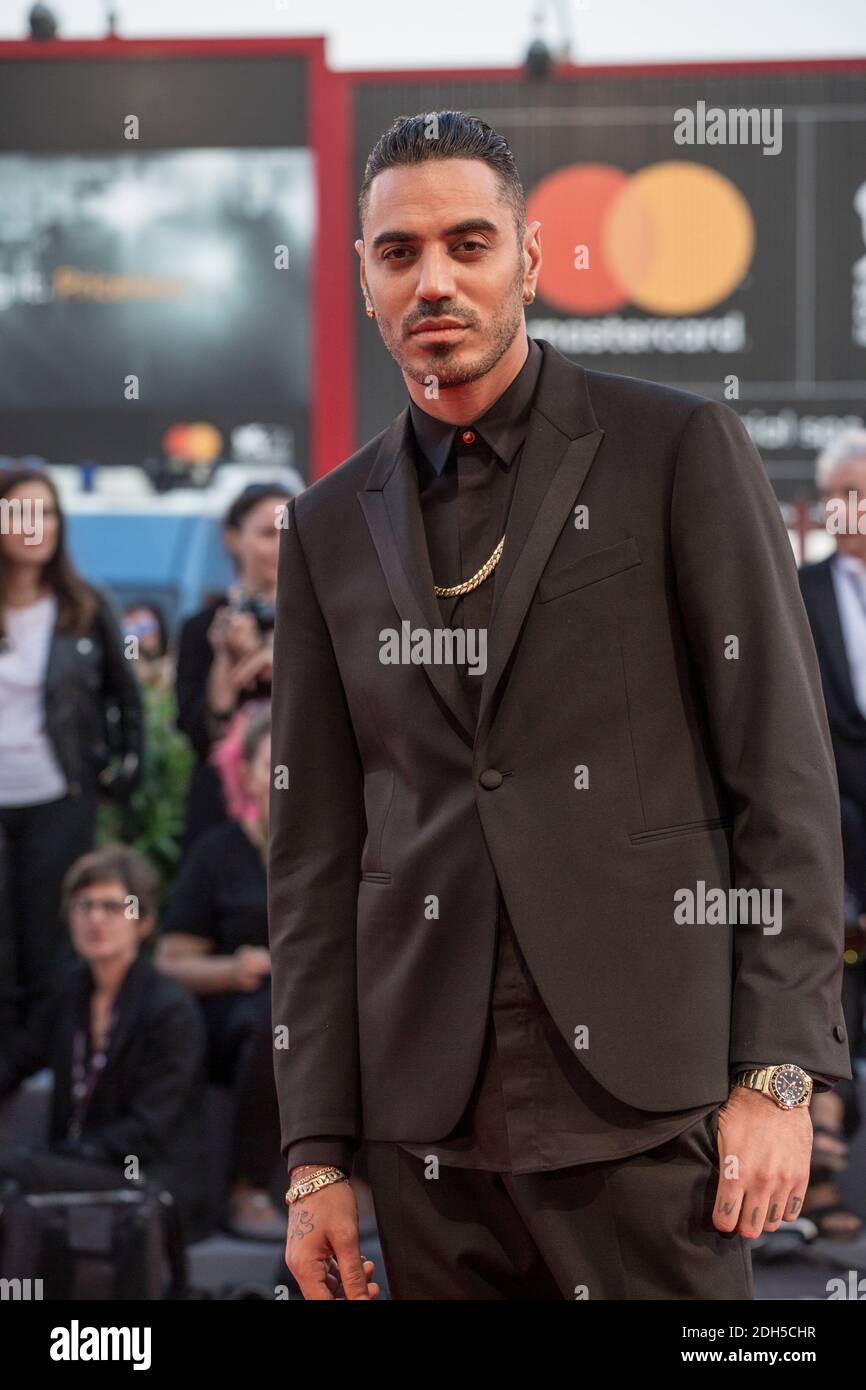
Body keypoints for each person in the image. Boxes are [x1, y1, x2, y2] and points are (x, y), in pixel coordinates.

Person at [267, 110, 851, 1301]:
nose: (433, 279)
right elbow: (317, 857)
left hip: (648, 1106)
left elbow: (780, 775)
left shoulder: (673, 449)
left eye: (468, 243)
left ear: (530, 259)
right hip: (426, 1122)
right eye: (398, 253)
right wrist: (314, 1154)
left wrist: (779, 1071)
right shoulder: (324, 524)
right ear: (365, 282)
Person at [0, 844, 209, 1248]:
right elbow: (20, 1059)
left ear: (143, 921)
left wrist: (70, 1154)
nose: (96, 918)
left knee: (14, 1171)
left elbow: (151, 1128)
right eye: (84, 906)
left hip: (145, 1174)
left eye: (112, 907)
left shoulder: (170, 1008)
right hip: (78, 1162)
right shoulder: (69, 991)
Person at [0, 467, 143, 1044]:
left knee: (52, 935)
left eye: (48, 511)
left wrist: (123, 768)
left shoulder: (85, 605)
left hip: (61, 795)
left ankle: (50, 1061)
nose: (36, 525)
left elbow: (125, 696)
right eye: (20, 511)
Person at [156, 705, 283, 1239]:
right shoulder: (218, 854)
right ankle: (247, 1185)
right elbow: (170, 961)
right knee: (275, 1021)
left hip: (327, 1001)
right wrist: (234, 968)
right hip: (242, 1011)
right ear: (247, 775)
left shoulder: (343, 848)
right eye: (273, 767)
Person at [796, 428, 866, 1241]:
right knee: (828, 1001)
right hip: (826, 838)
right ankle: (819, 1184)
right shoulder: (795, 590)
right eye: (845, 492)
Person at [174, 482, 290, 854]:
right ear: (232, 538)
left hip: (299, 795)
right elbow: (200, 732)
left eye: (287, 531)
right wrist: (225, 658)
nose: (278, 545)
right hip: (219, 803)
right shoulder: (203, 626)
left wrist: (284, 658)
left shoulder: (319, 622)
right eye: (266, 533)